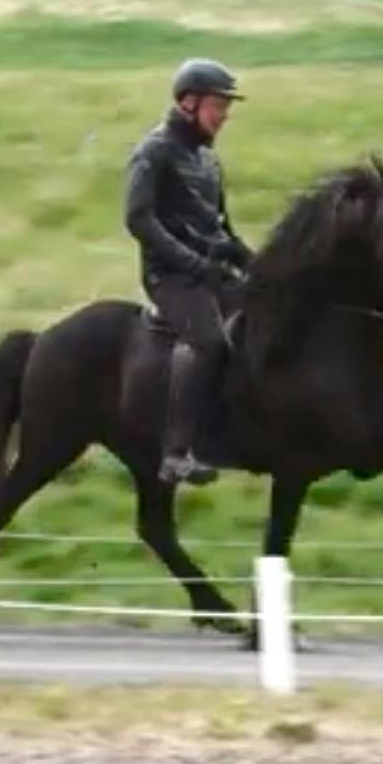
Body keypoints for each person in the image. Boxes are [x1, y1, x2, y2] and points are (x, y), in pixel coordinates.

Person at [123, 58, 254, 485]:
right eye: (218, 105)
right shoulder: (153, 152)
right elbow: (138, 220)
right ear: (188, 103)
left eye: (225, 107)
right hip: (171, 277)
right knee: (209, 341)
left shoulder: (210, 161)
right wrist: (195, 264)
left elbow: (221, 226)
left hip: (209, 270)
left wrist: (251, 263)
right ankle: (176, 453)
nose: (225, 115)